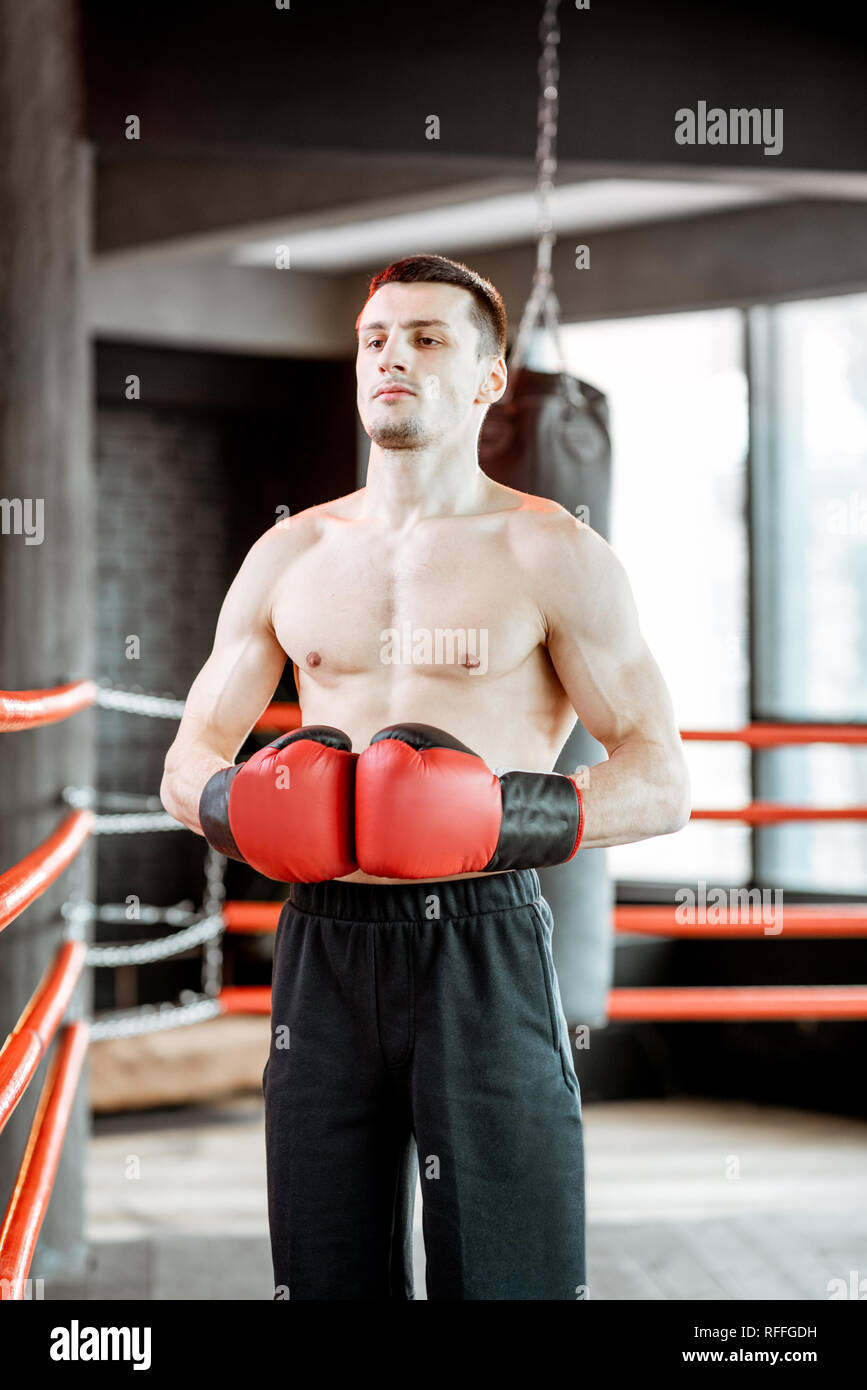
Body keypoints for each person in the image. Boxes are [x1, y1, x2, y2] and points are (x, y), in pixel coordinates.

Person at [160, 252, 691, 1301]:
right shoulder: (292, 553)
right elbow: (187, 761)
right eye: (375, 339)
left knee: (509, 1275)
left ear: (494, 378)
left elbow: (662, 778)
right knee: (325, 1272)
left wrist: (496, 818)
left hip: (481, 941)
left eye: (428, 337)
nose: (392, 356)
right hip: (320, 942)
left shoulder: (551, 551)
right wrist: (246, 808)